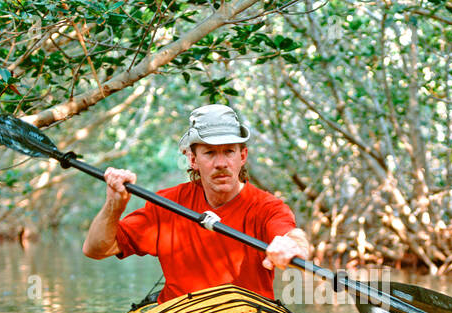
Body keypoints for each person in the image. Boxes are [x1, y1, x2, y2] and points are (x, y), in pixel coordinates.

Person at [82, 103, 310, 301]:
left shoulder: (267, 207)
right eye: (210, 153)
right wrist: (114, 204)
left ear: (242, 156)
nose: (221, 163)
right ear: (193, 159)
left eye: (229, 152)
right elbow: (96, 250)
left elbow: (293, 237)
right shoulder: (167, 203)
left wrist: (292, 246)